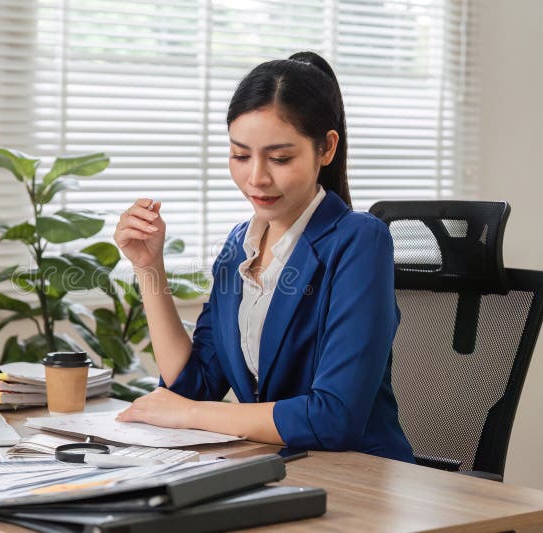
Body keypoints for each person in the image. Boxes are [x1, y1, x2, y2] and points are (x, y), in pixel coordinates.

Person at [112, 51, 414, 462]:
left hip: (359, 476)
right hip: (279, 469)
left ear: (325, 148)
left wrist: (193, 414)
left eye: (280, 158)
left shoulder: (359, 241)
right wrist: (148, 268)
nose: (256, 177)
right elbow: (193, 386)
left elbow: (333, 418)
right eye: (240, 155)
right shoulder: (240, 245)